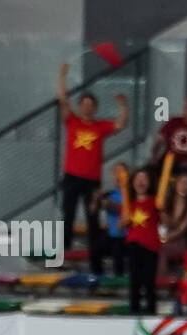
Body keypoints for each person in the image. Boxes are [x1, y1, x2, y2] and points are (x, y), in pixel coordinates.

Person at [57, 63, 129, 253]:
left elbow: (121, 124)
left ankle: (95, 252)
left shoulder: (100, 126)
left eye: (91, 105)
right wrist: (62, 78)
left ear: (95, 108)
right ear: (80, 107)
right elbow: (64, 102)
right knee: (68, 214)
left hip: (92, 180)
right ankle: (65, 250)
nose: (88, 108)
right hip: (71, 177)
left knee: (93, 215)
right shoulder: (72, 121)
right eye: (84, 105)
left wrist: (123, 105)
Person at [121, 169, 161, 314]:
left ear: (149, 183)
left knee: (149, 282)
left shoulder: (156, 201)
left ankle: (151, 311)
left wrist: (163, 210)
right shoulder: (129, 204)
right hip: (133, 245)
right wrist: (124, 220)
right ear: (133, 183)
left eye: (144, 178)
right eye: (138, 178)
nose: (141, 181)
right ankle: (134, 311)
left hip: (151, 246)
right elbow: (121, 226)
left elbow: (166, 220)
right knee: (135, 281)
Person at [147, 96, 187, 175]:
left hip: (186, 164)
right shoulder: (174, 122)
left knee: (185, 177)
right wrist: (154, 156)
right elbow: (158, 142)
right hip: (168, 160)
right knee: (147, 171)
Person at [157, 171, 187, 284]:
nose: (184, 186)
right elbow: (164, 222)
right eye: (182, 183)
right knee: (158, 248)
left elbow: (182, 230)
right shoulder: (167, 202)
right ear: (176, 184)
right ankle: (162, 280)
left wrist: (165, 238)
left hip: (184, 241)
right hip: (167, 239)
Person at [90, 162, 129, 277]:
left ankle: (119, 279)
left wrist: (108, 203)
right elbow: (92, 210)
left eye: (122, 172)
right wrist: (95, 199)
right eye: (116, 172)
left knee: (118, 250)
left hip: (126, 235)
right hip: (112, 234)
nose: (118, 175)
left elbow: (121, 208)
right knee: (95, 248)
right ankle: (98, 277)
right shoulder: (109, 194)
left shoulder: (131, 194)